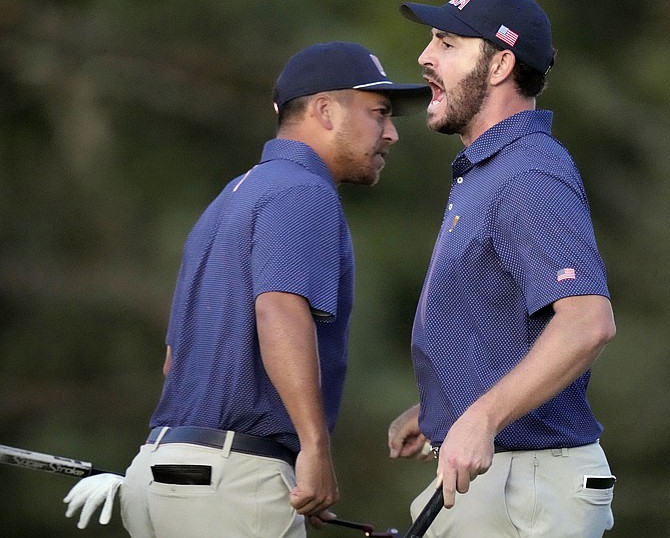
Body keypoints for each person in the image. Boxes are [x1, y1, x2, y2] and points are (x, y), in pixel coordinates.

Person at [62, 41, 430, 538]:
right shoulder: (305, 190)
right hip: (230, 479)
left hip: (159, 474)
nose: (390, 133)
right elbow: (278, 312)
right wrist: (313, 453)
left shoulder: (236, 194)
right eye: (379, 113)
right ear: (325, 110)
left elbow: (176, 358)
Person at [386, 0, 617, 537]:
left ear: (499, 66)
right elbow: (503, 320)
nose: (424, 57)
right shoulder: (492, 169)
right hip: (507, 480)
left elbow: (588, 322)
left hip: (531, 486)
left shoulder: (528, 174)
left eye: (446, 42)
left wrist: (481, 417)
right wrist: (444, 405)